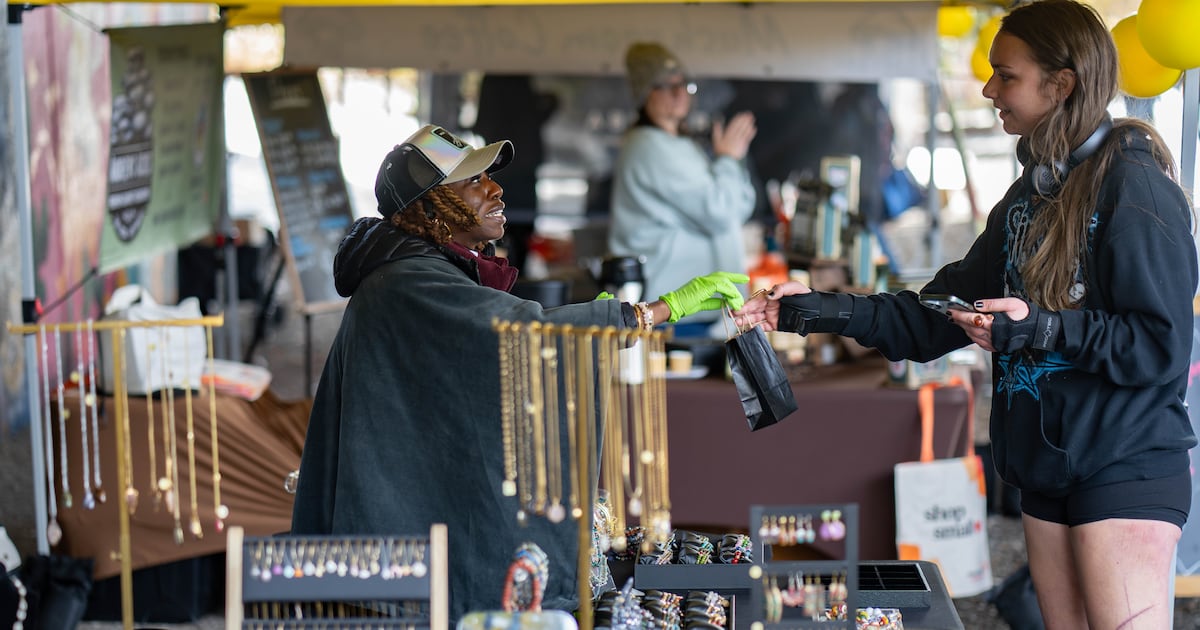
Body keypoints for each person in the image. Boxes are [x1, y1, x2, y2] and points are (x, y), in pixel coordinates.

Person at [733, 1, 1196, 627]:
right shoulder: (1027, 196)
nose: (987, 89)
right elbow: (931, 316)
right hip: (1045, 466)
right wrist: (811, 312)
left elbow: (1160, 347)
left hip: (1125, 464)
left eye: (1005, 75)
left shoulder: (1136, 187)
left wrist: (1039, 327)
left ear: (1061, 84)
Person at [290, 123, 747, 622]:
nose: (495, 190)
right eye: (472, 182)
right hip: (397, 560)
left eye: (488, 177)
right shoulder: (407, 280)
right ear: (430, 207)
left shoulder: (418, 269)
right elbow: (520, 334)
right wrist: (656, 310)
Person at [607, 42, 758, 337]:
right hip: (676, 309)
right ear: (644, 94)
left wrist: (729, 163)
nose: (679, 93)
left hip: (693, 308)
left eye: (683, 84)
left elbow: (737, 207)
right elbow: (721, 211)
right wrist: (728, 160)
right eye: (664, 85)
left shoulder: (679, 145)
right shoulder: (650, 146)